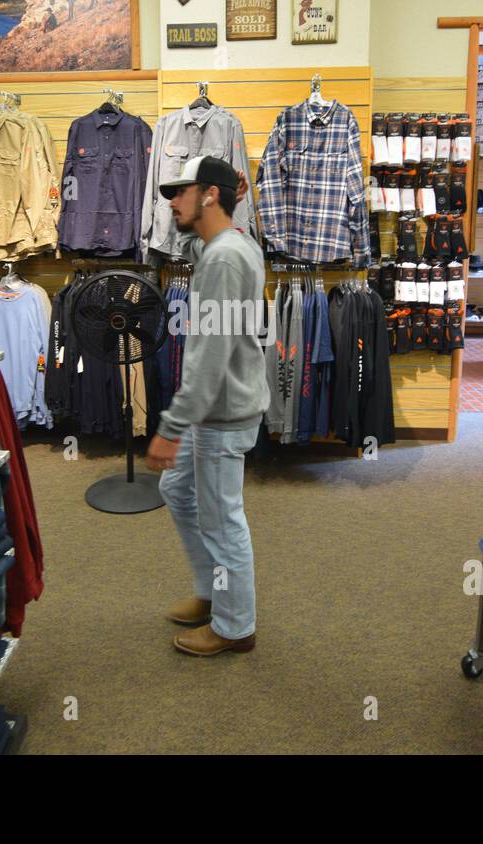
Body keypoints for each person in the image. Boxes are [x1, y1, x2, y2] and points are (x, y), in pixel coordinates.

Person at [146, 156, 269, 657]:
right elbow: (204, 241)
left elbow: (208, 355)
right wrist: (233, 202)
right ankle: (212, 592)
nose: (172, 201)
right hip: (219, 406)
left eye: (181, 191)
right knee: (178, 490)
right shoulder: (232, 244)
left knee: (222, 522)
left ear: (209, 195)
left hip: (219, 412)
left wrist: (170, 427)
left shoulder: (223, 258)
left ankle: (235, 626)